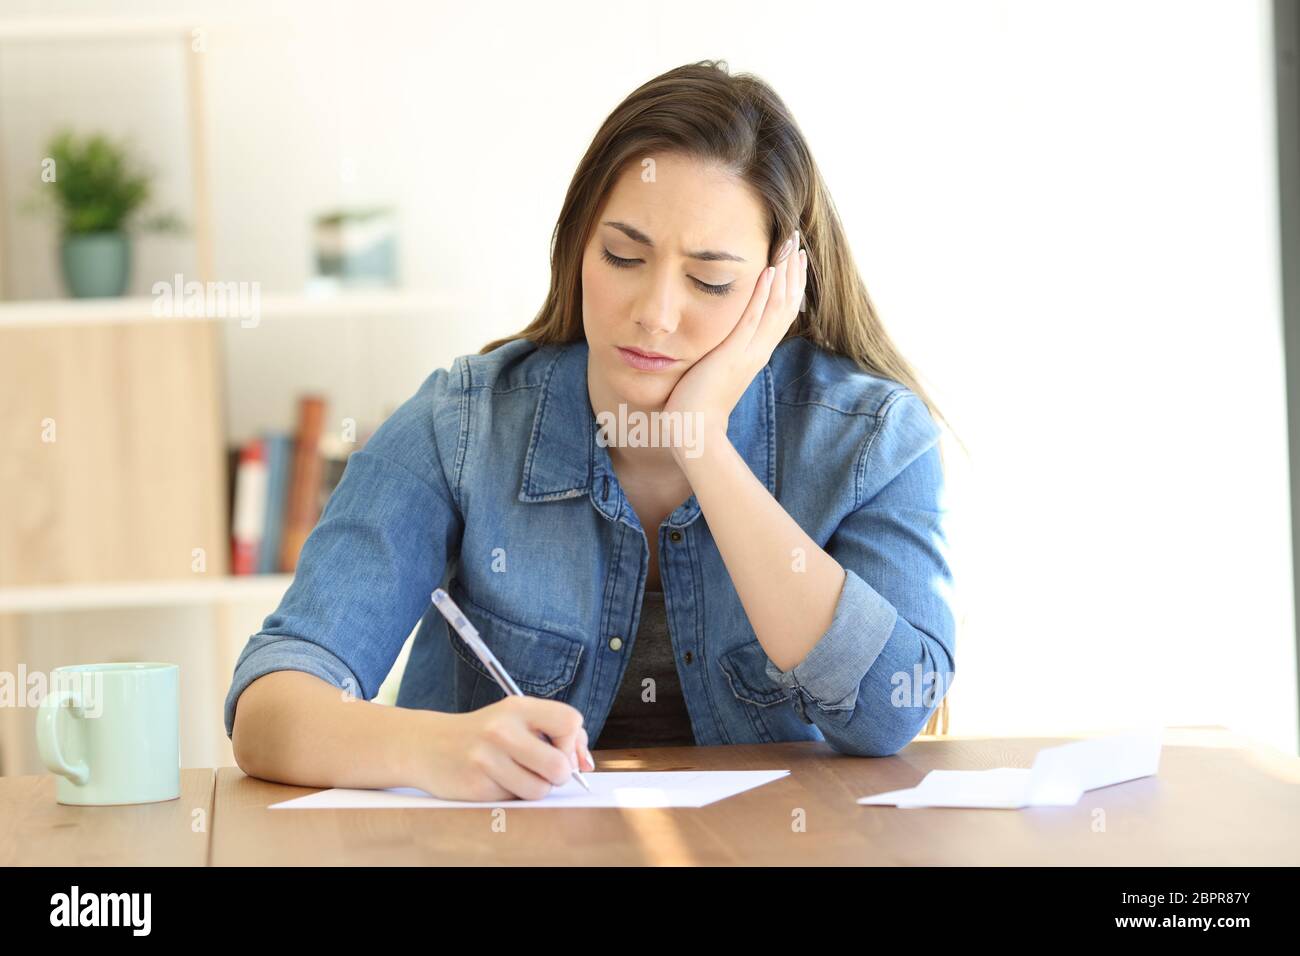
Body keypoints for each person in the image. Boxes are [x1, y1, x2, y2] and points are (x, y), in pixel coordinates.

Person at [226, 59, 956, 802]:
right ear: (578, 244)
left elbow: (891, 712)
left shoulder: (868, 441)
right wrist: (434, 746)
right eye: (623, 256)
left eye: (709, 280)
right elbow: (270, 708)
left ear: (781, 285)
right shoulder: (463, 427)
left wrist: (700, 441)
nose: (655, 312)